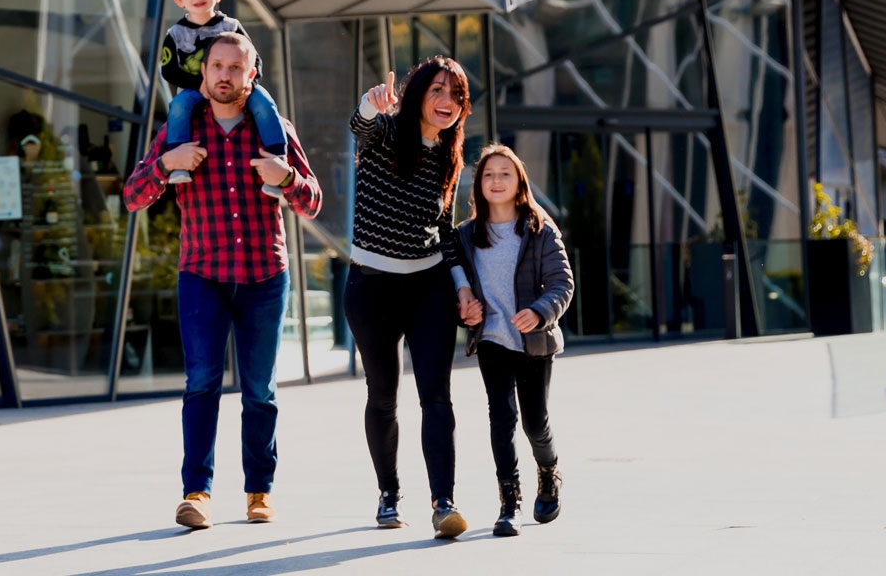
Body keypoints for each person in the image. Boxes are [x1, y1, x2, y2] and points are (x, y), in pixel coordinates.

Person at [124, 32, 320, 530]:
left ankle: (259, 492)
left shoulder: (273, 130)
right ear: (204, 73)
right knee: (202, 385)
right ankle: (197, 493)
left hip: (263, 277)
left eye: (236, 67)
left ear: (251, 74)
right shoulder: (181, 129)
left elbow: (313, 201)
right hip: (203, 276)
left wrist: (286, 178)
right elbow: (132, 196)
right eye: (217, 66)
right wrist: (168, 164)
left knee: (259, 391)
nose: (226, 75)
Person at [345, 56, 479, 539]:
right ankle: (388, 493)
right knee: (382, 395)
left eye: (457, 96)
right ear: (418, 93)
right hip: (371, 287)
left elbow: (444, 232)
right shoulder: (382, 134)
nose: (448, 103)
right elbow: (358, 125)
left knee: (436, 397)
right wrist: (369, 102)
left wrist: (462, 286)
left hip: (429, 289)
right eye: (438, 91)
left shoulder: (449, 156)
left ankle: (444, 502)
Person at [454, 144, 574, 537]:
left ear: (519, 180)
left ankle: (548, 470)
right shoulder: (467, 235)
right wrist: (463, 305)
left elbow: (562, 283)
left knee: (535, 422)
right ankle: (510, 502)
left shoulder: (539, 226)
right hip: (491, 339)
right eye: (488, 174)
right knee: (501, 419)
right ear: (479, 185)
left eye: (505, 173)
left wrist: (540, 312)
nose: (496, 180)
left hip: (534, 342)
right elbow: (453, 277)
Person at [157, 0, 285, 198]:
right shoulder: (175, 34)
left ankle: (277, 157)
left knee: (265, 104)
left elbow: (254, 59)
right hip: (194, 90)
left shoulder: (232, 26)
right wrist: (199, 83)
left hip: (237, 88)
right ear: (179, 0)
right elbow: (169, 70)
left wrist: (250, 83)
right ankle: (180, 159)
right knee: (178, 107)